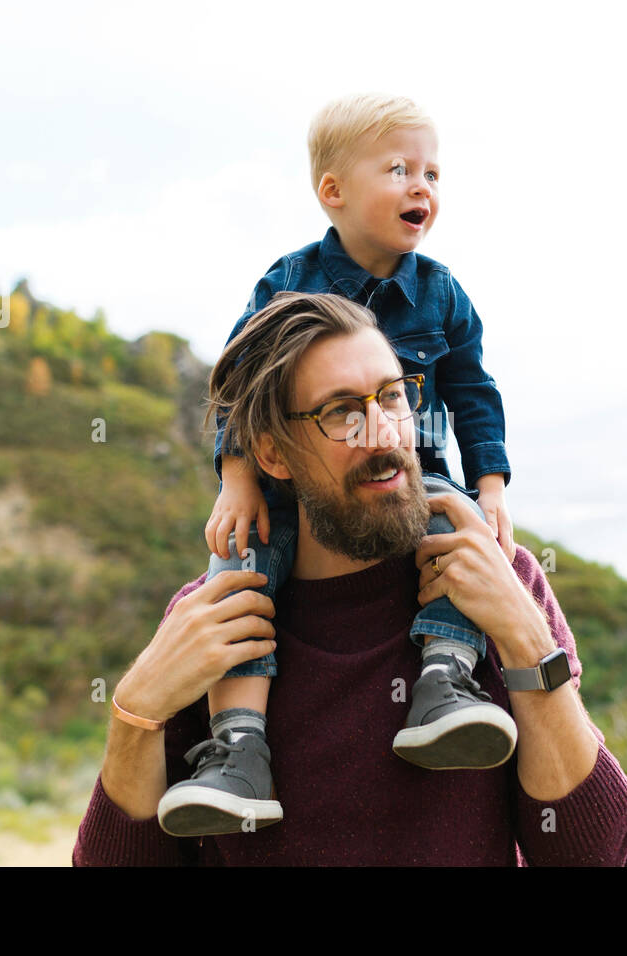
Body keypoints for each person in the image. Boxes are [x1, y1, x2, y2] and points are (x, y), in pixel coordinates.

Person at [73, 292, 627, 865]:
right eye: (341, 411)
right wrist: (136, 707)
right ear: (272, 453)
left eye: (392, 397)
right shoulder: (216, 614)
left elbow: (593, 855)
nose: (384, 433)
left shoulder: (496, 577)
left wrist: (525, 636)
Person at [181, 93, 518, 833]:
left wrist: (488, 484)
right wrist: (238, 479)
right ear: (332, 191)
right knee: (240, 567)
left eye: (433, 172)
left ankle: (445, 681)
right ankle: (239, 748)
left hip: (415, 477)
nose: (422, 186)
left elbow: (472, 389)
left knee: (459, 535)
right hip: (304, 483)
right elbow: (241, 382)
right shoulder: (286, 283)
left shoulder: (442, 293)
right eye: (398, 168)